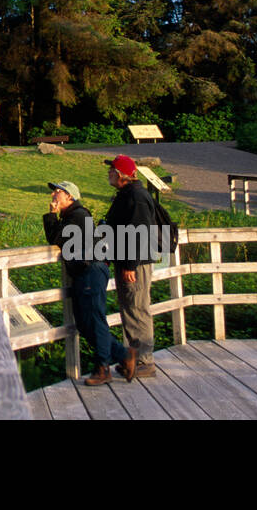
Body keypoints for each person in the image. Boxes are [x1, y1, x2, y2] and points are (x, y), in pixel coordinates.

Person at [42, 180, 136, 385]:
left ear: (70, 197)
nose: (53, 196)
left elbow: (56, 237)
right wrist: (53, 216)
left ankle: (103, 368)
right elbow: (57, 237)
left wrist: (51, 216)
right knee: (85, 324)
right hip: (86, 271)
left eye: (58, 192)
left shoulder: (78, 216)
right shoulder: (72, 216)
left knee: (94, 320)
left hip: (90, 270)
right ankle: (123, 354)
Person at [103, 154, 159, 379]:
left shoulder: (136, 196)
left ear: (120, 174)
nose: (108, 174)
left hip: (135, 264)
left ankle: (145, 361)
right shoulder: (128, 194)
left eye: (111, 170)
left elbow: (139, 234)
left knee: (137, 309)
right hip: (130, 262)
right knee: (130, 309)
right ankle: (132, 359)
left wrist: (129, 265)